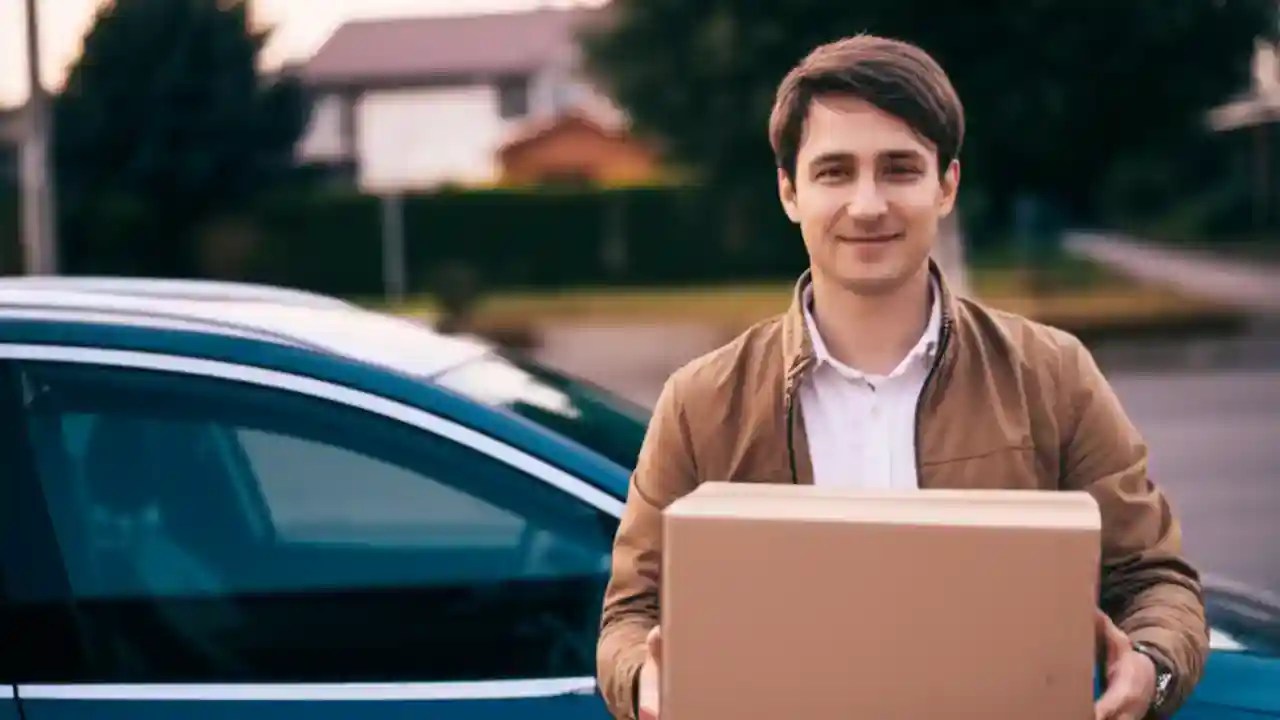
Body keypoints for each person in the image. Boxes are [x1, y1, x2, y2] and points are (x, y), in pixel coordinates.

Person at [595, 33, 1207, 720]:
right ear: (789, 192)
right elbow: (631, 613)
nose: (867, 204)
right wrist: (639, 682)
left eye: (899, 169)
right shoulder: (700, 402)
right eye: (834, 172)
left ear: (946, 186)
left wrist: (1150, 665)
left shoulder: (1052, 375)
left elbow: (1156, 580)